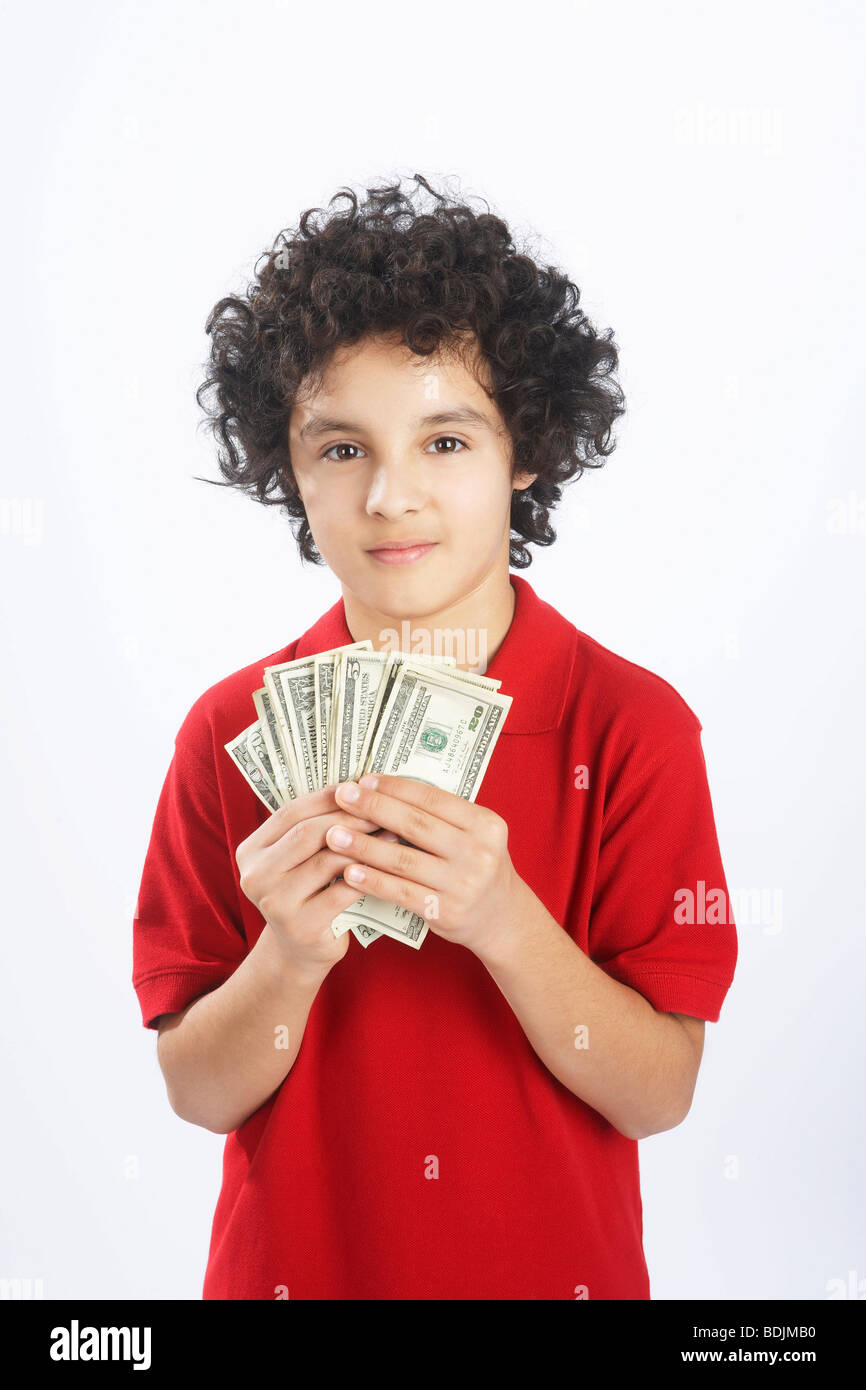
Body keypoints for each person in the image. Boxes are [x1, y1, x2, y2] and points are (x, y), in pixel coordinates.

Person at [132, 174, 738, 1300]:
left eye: (446, 442)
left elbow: (655, 1094)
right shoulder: (229, 732)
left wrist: (504, 919)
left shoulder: (633, 728)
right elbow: (199, 1092)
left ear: (526, 451)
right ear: (289, 468)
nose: (390, 497)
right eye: (342, 448)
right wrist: (291, 953)